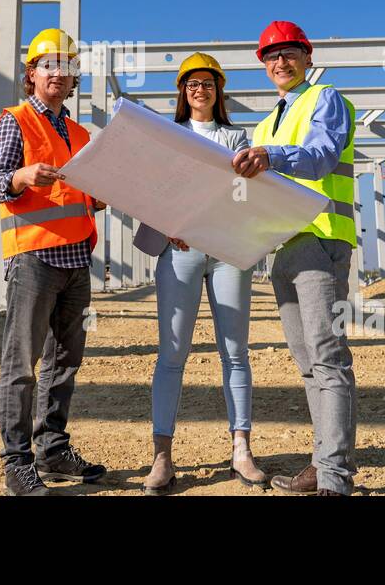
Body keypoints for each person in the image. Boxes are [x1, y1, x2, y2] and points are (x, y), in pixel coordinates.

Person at [232, 20, 358, 496]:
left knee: (329, 359)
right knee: (308, 364)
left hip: (321, 239)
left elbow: (323, 155)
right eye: (270, 57)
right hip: (283, 249)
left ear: (307, 58)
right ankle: (322, 463)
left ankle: (334, 478)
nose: (279, 62)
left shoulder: (325, 98)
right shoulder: (266, 124)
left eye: (288, 54)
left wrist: (271, 156)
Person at [0, 28, 108, 496]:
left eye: (67, 65)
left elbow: (81, 196)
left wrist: (96, 199)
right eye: (48, 64)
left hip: (77, 259)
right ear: (31, 74)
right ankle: (17, 462)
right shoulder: (15, 122)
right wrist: (22, 174)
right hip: (35, 258)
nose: (59, 72)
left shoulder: (80, 134)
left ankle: (52, 449)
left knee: (64, 361)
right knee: (21, 364)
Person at [142, 53, 268, 494]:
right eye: (191, 83)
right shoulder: (167, 135)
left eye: (208, 83)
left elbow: (243, 194)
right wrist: (169, 221)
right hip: (180, 251)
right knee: (171, 354)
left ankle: (242, 450)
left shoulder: (238, 137)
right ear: (182, 92)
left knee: (235, 351)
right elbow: (150, 190)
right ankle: (162, 457)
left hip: (227, 250)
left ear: (219, 91)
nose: (200, 89)